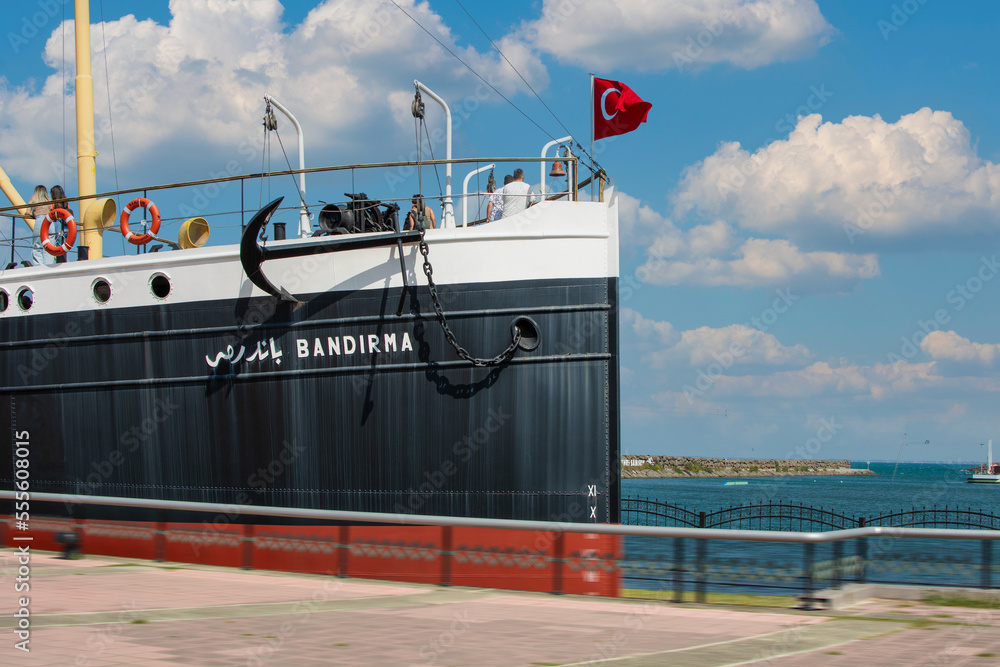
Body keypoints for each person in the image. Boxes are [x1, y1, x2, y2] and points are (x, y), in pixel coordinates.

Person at [26, 185, 55, 266]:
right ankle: (49, 265)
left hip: (40, 220)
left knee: (37, 245)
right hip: (49, 221)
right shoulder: (48, 199)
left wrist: (33, 213)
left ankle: (39, 265)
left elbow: (27, 212)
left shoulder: (34, 198)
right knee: (49, 245)